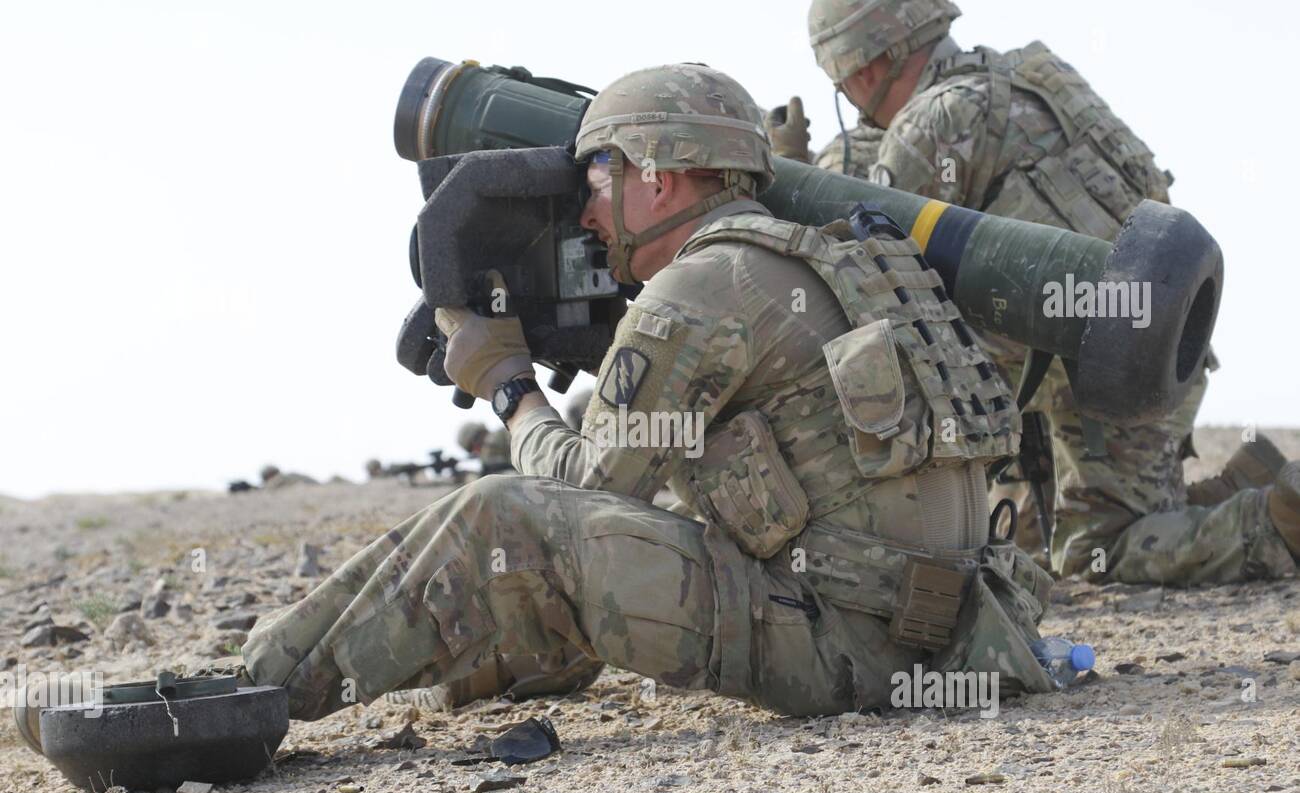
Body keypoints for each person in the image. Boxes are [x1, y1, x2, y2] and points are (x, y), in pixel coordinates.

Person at [233, 62, 1063, 724]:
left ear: (658, 179)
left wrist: (507, 384)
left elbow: (576, 495)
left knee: (502, 513)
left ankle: (256, 690)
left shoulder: (702, 287)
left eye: (599, 172)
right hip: (962, 639)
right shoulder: (820, 261)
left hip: (851, 653)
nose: (589, 210)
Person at [792, 0, 1297, 584]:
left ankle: (1275, 523)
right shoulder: (1032, 77)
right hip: (1171, 341)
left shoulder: (932, 123)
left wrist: (792, 167)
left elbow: (861, 245)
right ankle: (1243, 486)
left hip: (1107, 377)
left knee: (1094, 552)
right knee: (1031, 529)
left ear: (862, 69)